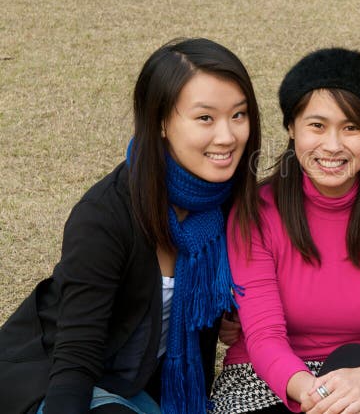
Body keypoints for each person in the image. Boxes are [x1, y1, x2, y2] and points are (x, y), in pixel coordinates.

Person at [0, 38, 263, 414]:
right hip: (54, 378)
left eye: (239, 115)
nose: (228, 136)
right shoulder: (105, 216)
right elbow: (76, 355)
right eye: (205, 118)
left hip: (145, 387)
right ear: (160, 122)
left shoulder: (228, 200)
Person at [210, 48, 360, 414]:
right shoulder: (256, 213)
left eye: (351, 127)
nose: (333, 145)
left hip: (359, 384)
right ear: (292, 128)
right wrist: (316, 396)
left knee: (352, 357)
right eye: (317, 125)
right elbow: (264, 338)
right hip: (261, 383)